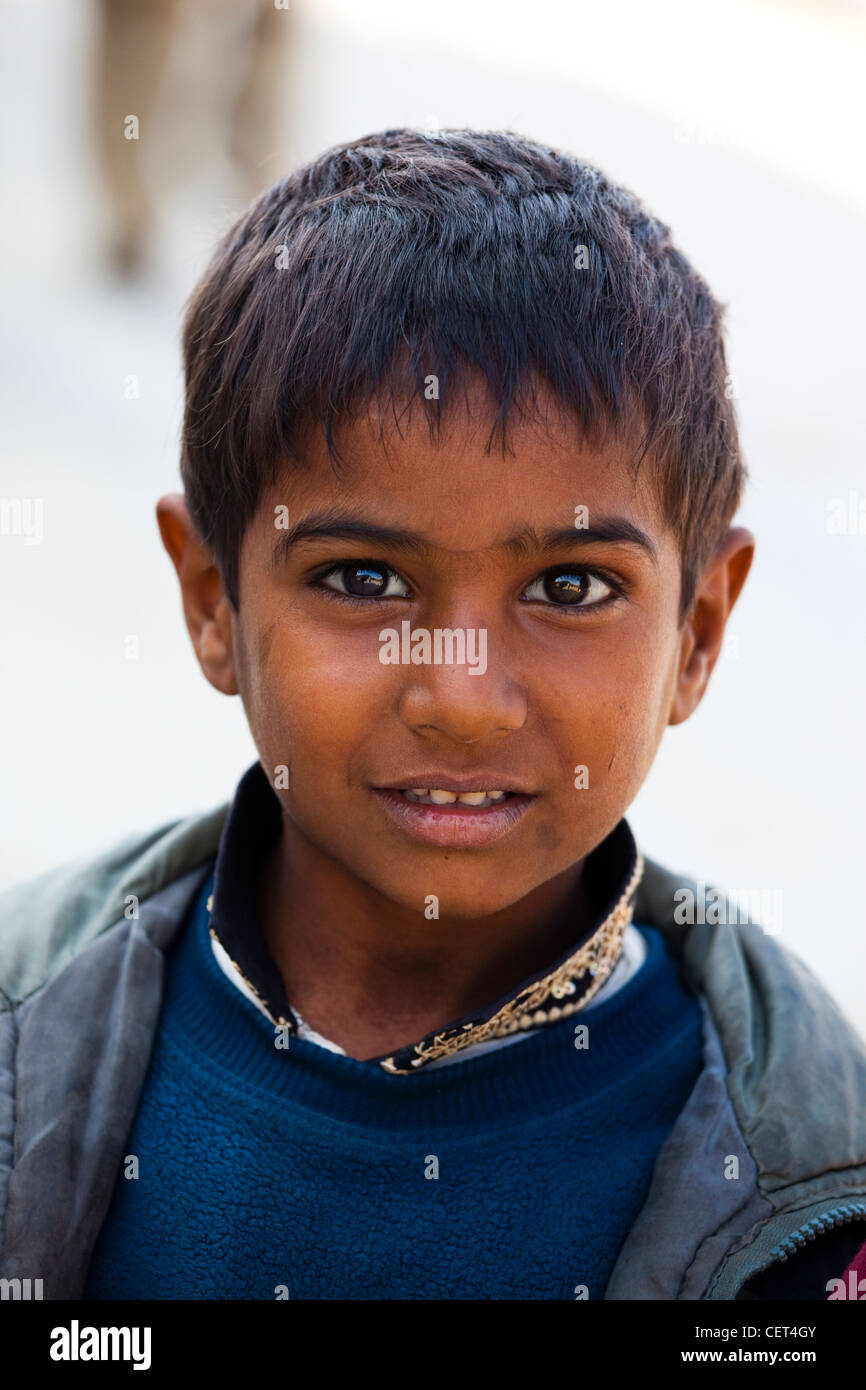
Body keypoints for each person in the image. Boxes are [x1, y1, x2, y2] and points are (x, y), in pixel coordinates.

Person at [2, 129, 866, 1301]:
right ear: (212, 599)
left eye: (570, 587)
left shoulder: (816, 1185)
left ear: (697, 631)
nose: (461, 698)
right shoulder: (27, 1036)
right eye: (362, 578)